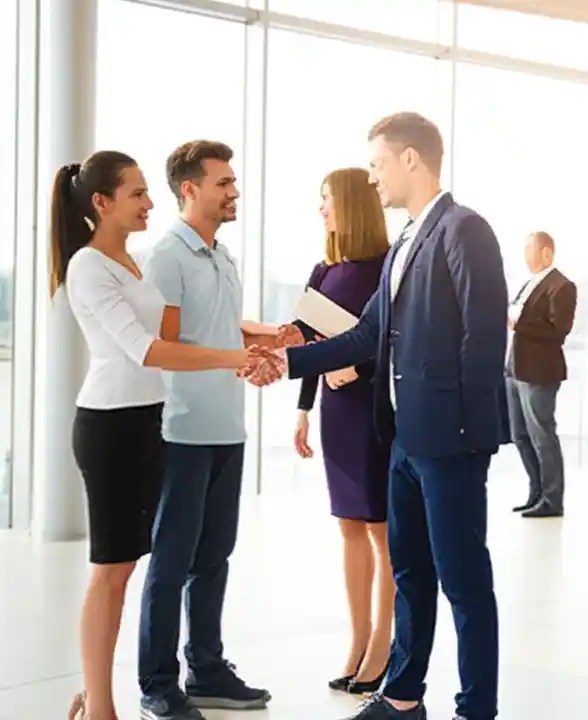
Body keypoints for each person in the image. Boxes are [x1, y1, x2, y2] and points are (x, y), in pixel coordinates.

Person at [252, 111, 509, 720]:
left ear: (411, 159)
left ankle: (477, 709)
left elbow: (484, 339)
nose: (372, 179)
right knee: (412, 577)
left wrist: (470, 439)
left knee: (465, 584)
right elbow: (366, 334)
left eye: (377, 164)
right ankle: (401, 698)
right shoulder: (402, 244)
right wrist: (286, 361)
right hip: (403, 442)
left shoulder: (464, 230)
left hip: (450, 444)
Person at [50, 151, 269, 720]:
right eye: (137, 193)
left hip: (146, 421)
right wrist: (235, 359)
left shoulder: (129, 263)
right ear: (100, 204)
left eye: (149, 192)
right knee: (112, 570)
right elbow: (146, 349)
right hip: (111, 426)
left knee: (132, 567)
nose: (150, 202)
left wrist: (260, 340)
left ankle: (96, 696)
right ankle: (102, 705)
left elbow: (181, 327)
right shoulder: (89, 267)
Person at [136, 140, 272, 719]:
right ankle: (157, 685)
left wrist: (266, 338)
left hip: (227, 430)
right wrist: (233, 357)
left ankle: (207, 669)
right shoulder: (167, 257)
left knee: (215, 555)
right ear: (189, 189)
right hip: (182, 431)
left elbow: (215, 328)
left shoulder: (222, 255)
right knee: (172, 561)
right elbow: (165, 346)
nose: (233, 191)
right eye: (223, 183)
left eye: (233, 182)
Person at [289, 167, 394, 694]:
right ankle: (357, 640)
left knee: (381, 531)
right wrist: (304, 408)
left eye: (326, 197)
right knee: (349, 526)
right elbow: (310, 342)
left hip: (372, 410)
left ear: (350, 203)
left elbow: (400, 340)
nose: (321, 208)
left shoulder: (389, 267)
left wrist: (362, 366)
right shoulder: (323, 269)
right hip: (335, 411)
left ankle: (382, 645)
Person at [507, 231, 577, 519]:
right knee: (520, 435)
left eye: (529, 249)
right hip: (515, 369)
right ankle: (536, 492)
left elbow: (559, 331)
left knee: (542, 435)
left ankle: (552, 499)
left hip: (539, 372)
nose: (525, 254)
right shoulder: (529, 283)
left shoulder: (562, 286)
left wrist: (517, 324)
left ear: (546, 253)